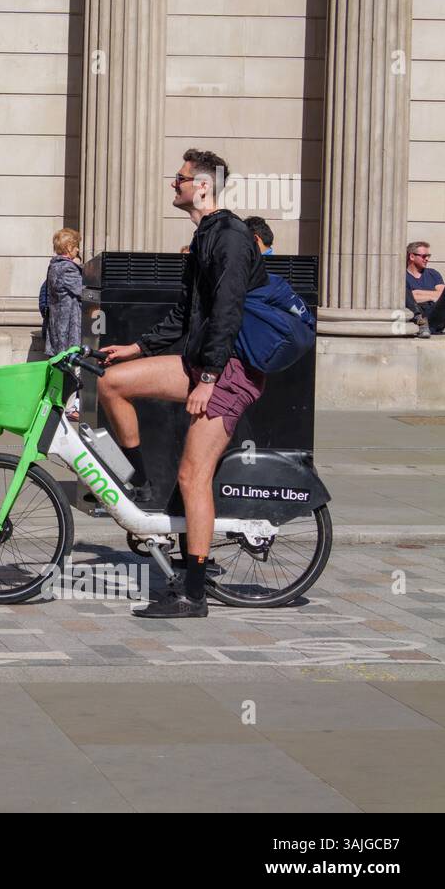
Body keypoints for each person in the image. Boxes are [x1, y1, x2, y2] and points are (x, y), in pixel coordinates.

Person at [97, 149, 269, 619]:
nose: (174, 184)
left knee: (195, 477)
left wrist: (209, 380)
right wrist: (138, 348)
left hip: (229, 371)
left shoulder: (231, 237)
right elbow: (184, 314)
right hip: (201, 362)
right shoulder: (204, 237)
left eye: (180, 178)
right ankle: (143, 486)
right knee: (112, 382)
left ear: (203, 186)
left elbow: (228, 313)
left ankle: (193, 592)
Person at [44, 228, 84, 419]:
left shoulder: (54, 266)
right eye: (76, 247)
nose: (78, 250)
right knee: (73, 364)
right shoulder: (67, 268)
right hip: (68, 325)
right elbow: (82, 289)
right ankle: (70, 407)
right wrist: (81, 267)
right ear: (69, 247)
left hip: (59, 323)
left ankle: (62, 403)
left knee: (64, 365)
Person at [406, 241, 445, 339]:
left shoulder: (433, 273)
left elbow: (443, 296)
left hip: (435, 315)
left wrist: (418, 293)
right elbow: (408, 298)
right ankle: (420, 322)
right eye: (424, 256)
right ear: (412, 257)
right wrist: (433, 297)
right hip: (419, 319)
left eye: (428, 256)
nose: (427, 259)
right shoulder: (403, 277)